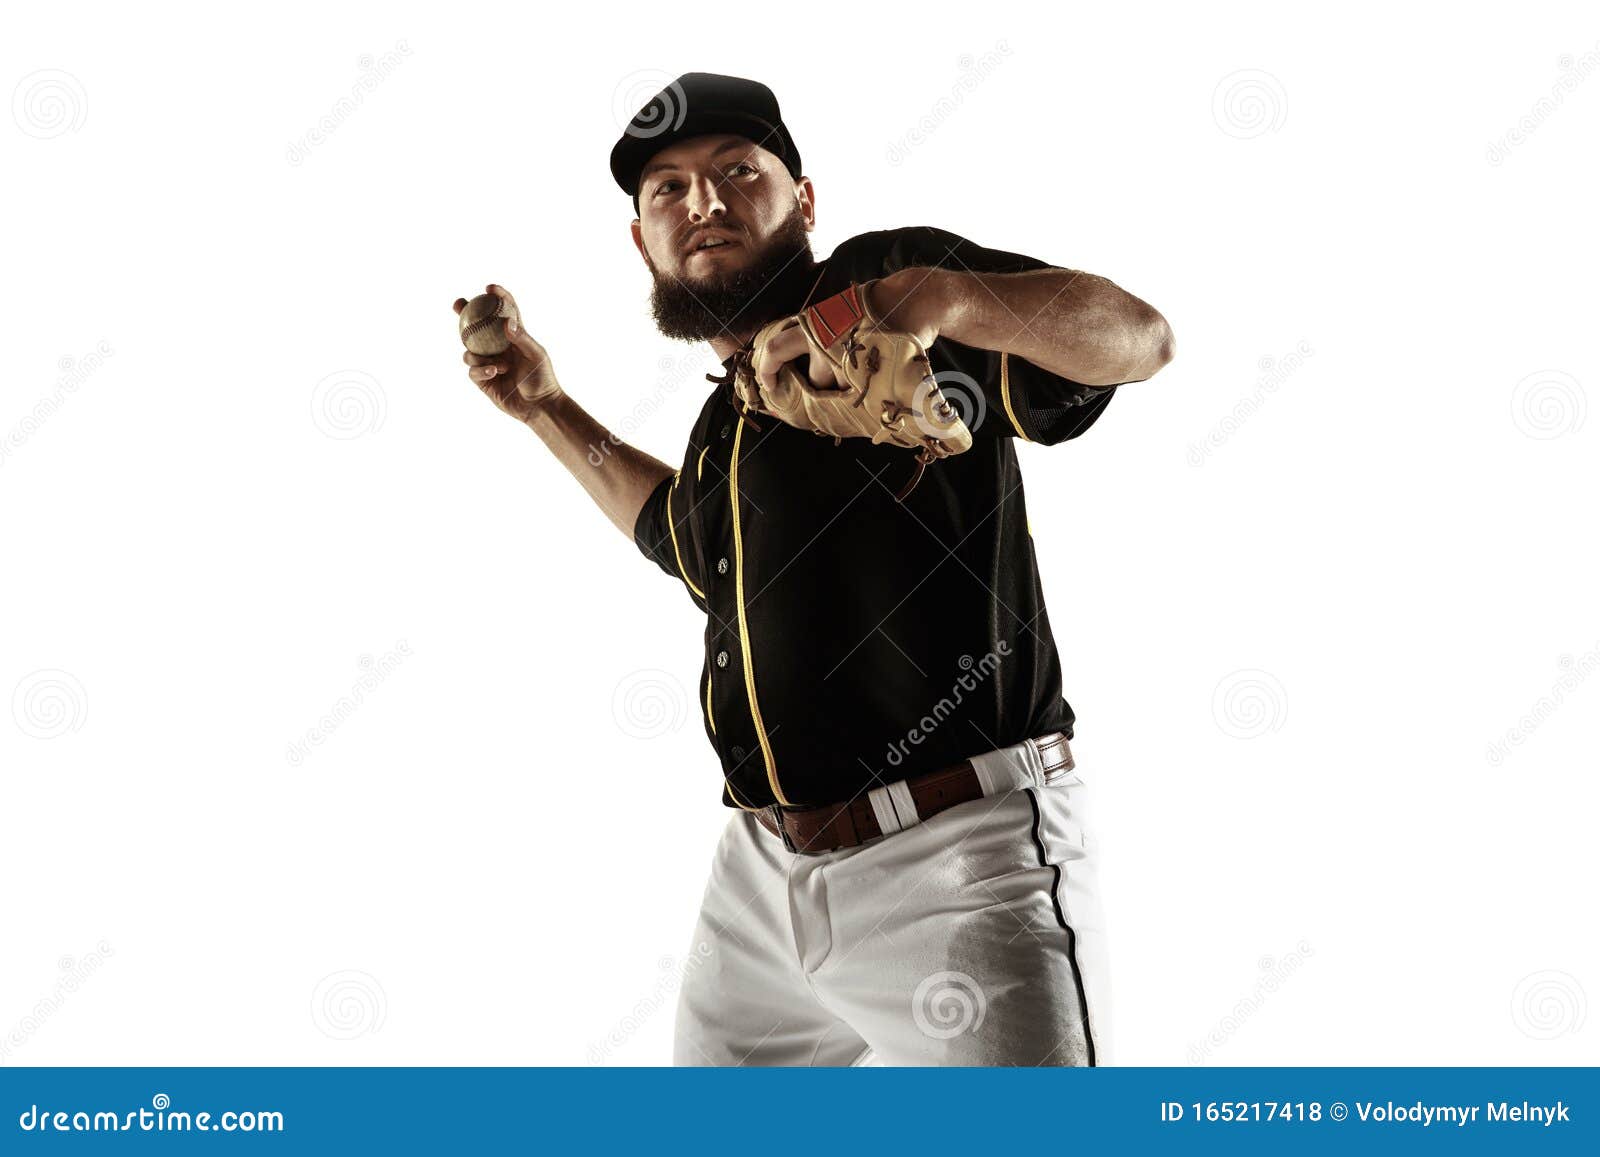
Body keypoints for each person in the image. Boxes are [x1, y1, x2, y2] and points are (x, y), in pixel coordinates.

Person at [451, 72, 1174, 1066]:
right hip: (757, 881)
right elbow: (675, 532)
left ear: (805, 201)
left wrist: (938, 296)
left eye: (736, 170)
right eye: (666, 188)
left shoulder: (877, 294)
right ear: (640, 240)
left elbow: (1135, 339)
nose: (701, 201)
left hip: (958, 858)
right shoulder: (725, 420)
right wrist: (543, 405)